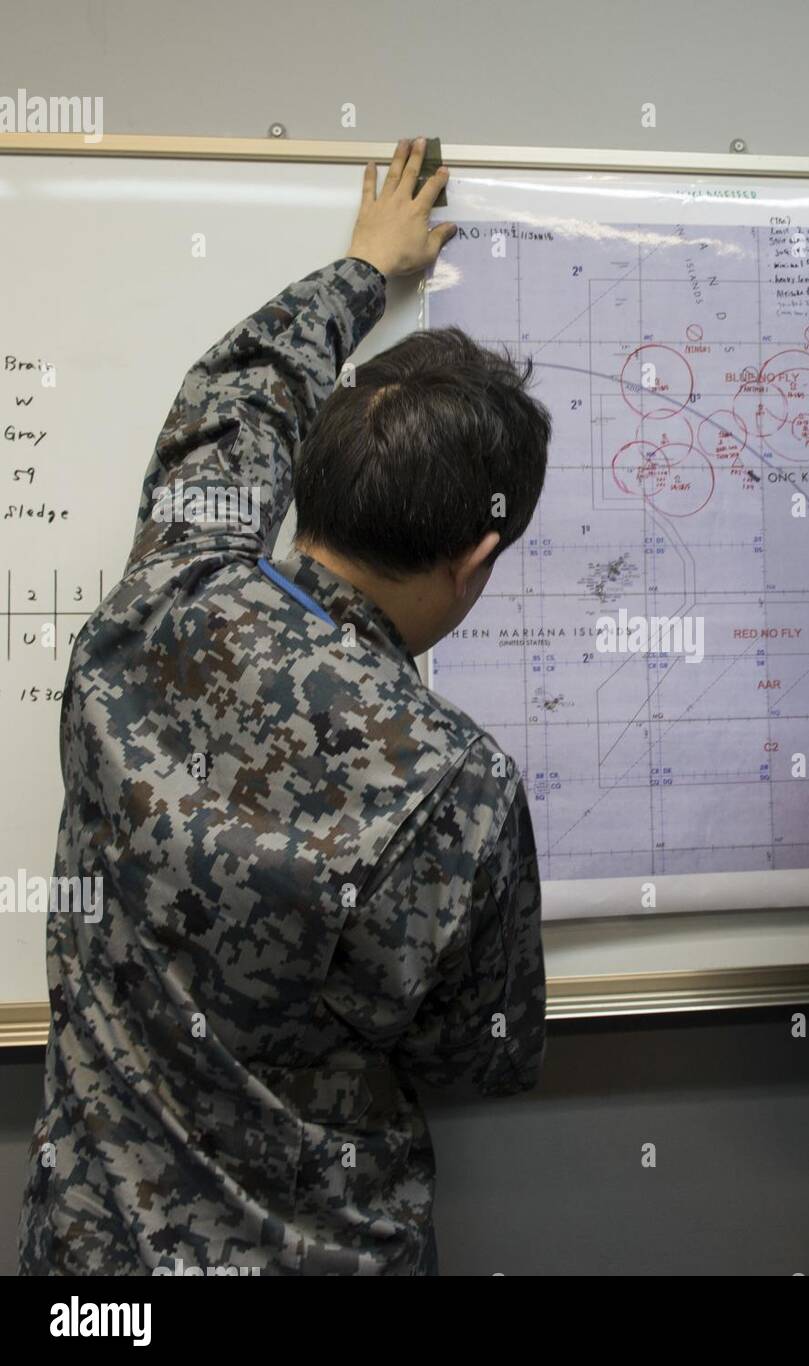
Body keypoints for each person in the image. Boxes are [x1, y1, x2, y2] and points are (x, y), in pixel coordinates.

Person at [19, 138, 550, 1276]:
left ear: (306, 480)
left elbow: (237, 395)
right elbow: (478, 1052)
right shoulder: (456, 785)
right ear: (480, 553)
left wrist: (362, 269)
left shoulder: (163, 596)